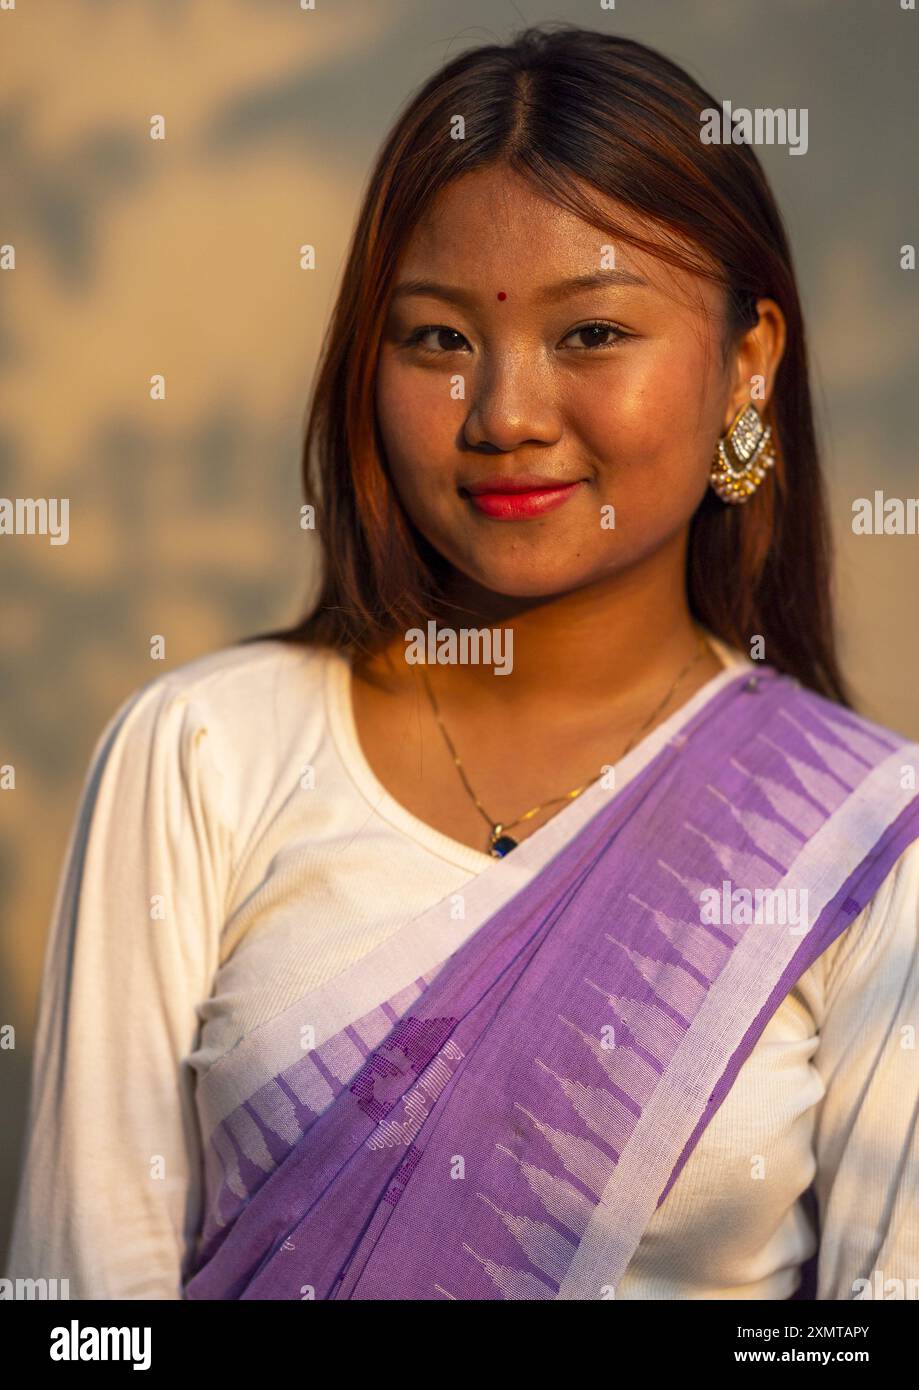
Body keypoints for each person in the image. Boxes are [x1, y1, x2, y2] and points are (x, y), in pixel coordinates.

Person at [6, 25, 919, 1301]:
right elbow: (82, 1314)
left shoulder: (862, 840)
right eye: (437, 340)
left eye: (591, 333)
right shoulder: (206, 756)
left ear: (746, 365)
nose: (503, 415)